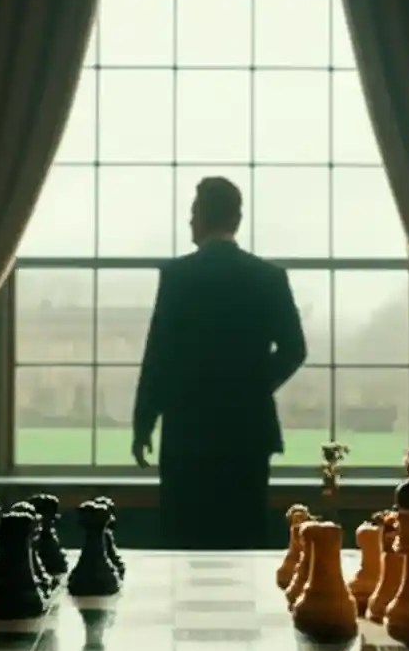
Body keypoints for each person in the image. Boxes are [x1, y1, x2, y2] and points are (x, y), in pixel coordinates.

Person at [131, 176, 307, 549]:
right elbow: (295, 349)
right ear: (236, 220)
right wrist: (253, 385)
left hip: (187, 429)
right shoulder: (268, 277)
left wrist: (144, 421)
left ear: (203, 216)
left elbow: (158, 355)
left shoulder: (178, 276)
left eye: (193, 212)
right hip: (247, 429)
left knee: (184, 542)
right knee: (243, 540)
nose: (189, 221)